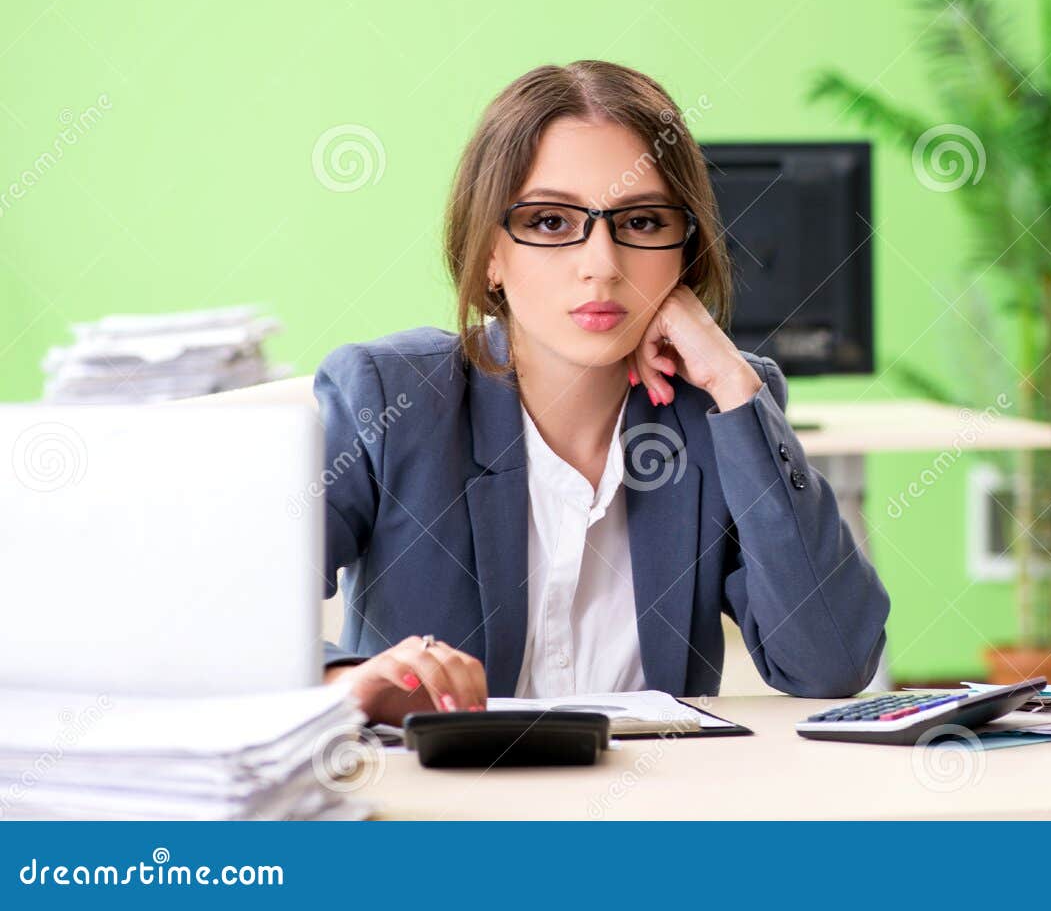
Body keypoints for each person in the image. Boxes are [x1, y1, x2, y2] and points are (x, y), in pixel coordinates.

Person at [316, 61, 890, 725]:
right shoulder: (392, 398)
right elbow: (228, 620)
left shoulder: (717, 413)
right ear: (491, 253)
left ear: (686, 250)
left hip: (651, 808)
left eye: (642, 223)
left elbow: (833, 661)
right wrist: (344, 681)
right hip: (446, 811)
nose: (602, 265)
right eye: (552, 223)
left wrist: (734, 383)